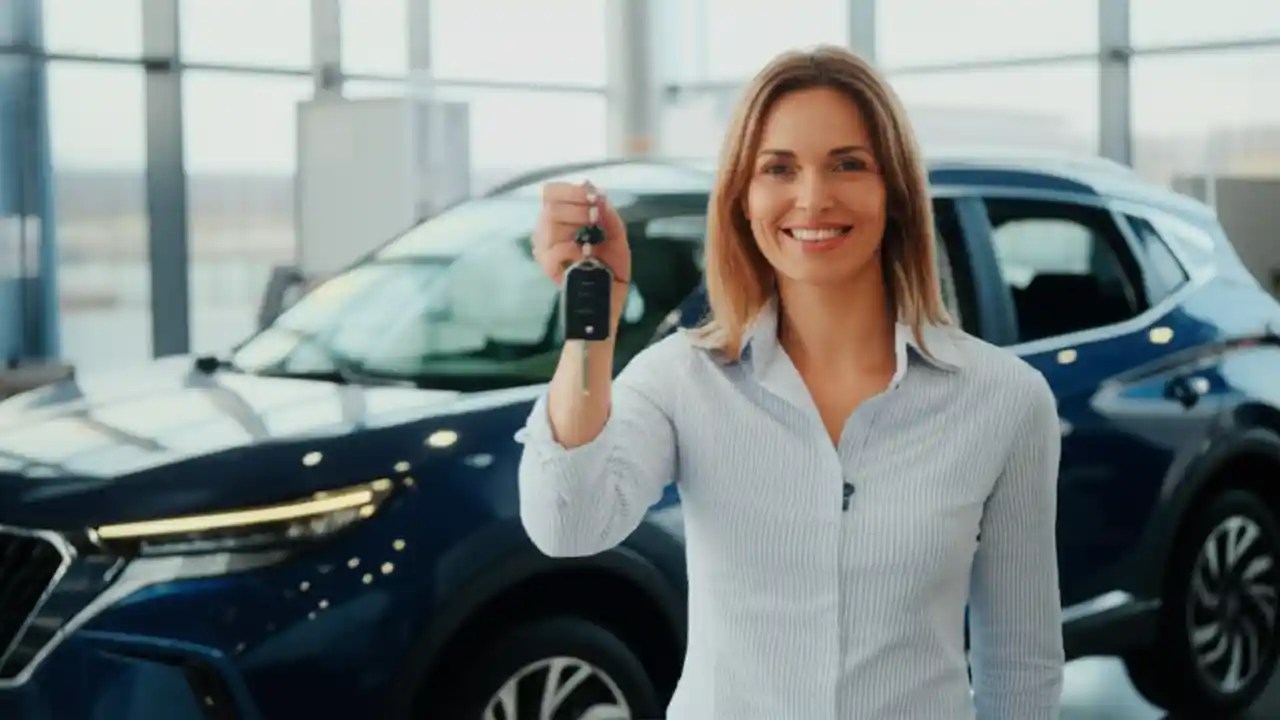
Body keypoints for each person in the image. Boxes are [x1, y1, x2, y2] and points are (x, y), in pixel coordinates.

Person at [515, 44, 1064, 719]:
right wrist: (590, 325)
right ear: (742, 199)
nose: (812, 197)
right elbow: (569, 524)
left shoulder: (1005, 399)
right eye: (779, 168)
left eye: (848, 164)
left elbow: (1022, 662)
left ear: (893, 192)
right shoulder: (682, 380)